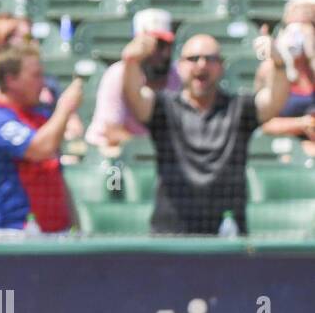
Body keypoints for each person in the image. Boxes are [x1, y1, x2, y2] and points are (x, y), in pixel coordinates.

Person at [122, 32, 290, 235]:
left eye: (210, 59)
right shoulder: (163, 108)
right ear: (180, 66)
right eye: (193, 59)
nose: (201, 65)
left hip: (226, 235)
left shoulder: (239, 108)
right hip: (171, 234)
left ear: (221, 66)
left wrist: (279, 63)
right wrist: (131, 61)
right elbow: (135, 98)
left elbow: (274, 101)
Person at [0, 44, 85, 239]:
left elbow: (56, 175)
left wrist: (75, 225)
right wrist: (66, 107)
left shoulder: (41, 116)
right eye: (36, 75)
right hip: (15, 232)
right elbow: (39, 148)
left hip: (56, 232)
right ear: (11, 80)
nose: (43, 83)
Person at [0, 12, 78, 147]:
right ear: (2, 42)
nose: (34, 42)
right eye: (28, 38)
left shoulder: (47, 83)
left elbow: (73, 130)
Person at [85, 7, 181, 155]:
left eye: (164, 45)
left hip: (152, 154)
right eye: (152, 45)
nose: (159, 53)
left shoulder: (176, 75)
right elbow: (112, 131)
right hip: (110, 153)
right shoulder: (117, 73)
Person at [257, 0, 315, 156]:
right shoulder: (270, 68)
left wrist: (312, 55)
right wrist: (301, 124)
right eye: (294, 27)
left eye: (309, 26)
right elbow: (264, 122)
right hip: (283, 152)